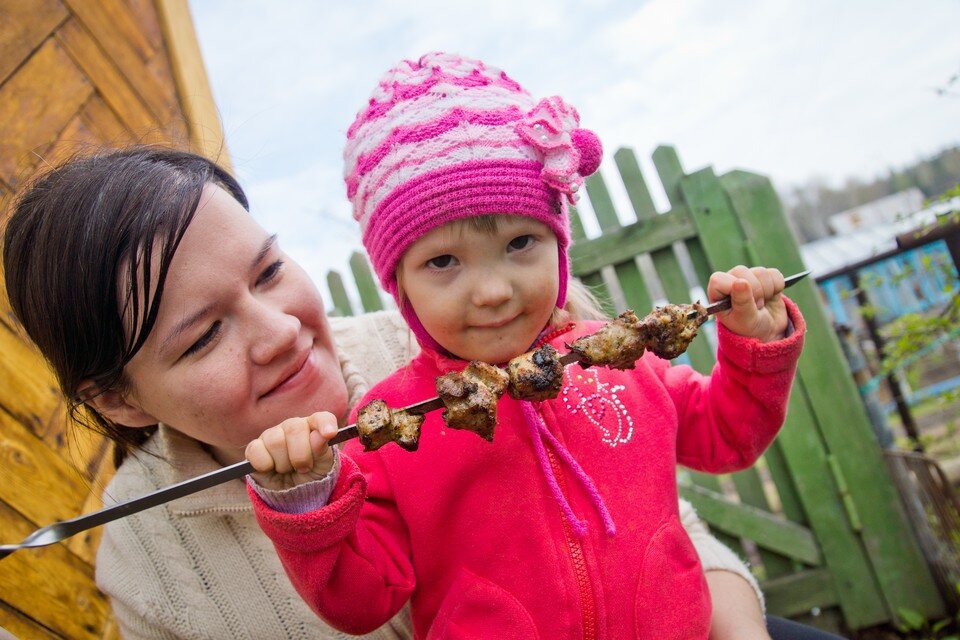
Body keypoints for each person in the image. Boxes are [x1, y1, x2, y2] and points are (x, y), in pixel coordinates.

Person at [1, 146, 805, 639]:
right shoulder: (152, 575)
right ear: (120, 400)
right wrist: (305, 505)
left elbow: (650, 503)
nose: (280, 331)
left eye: (269, 271)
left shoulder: (472, 347)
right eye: (203, 335)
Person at [244, 53, 822, 640]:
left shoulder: (625, 365)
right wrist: (308, 503)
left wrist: (757, 343)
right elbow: (360, 601)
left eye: (520, 243)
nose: (493, 291)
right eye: (443, 262)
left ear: (559, 246)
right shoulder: (394, 427)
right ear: (401, 286)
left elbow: (728, 435)